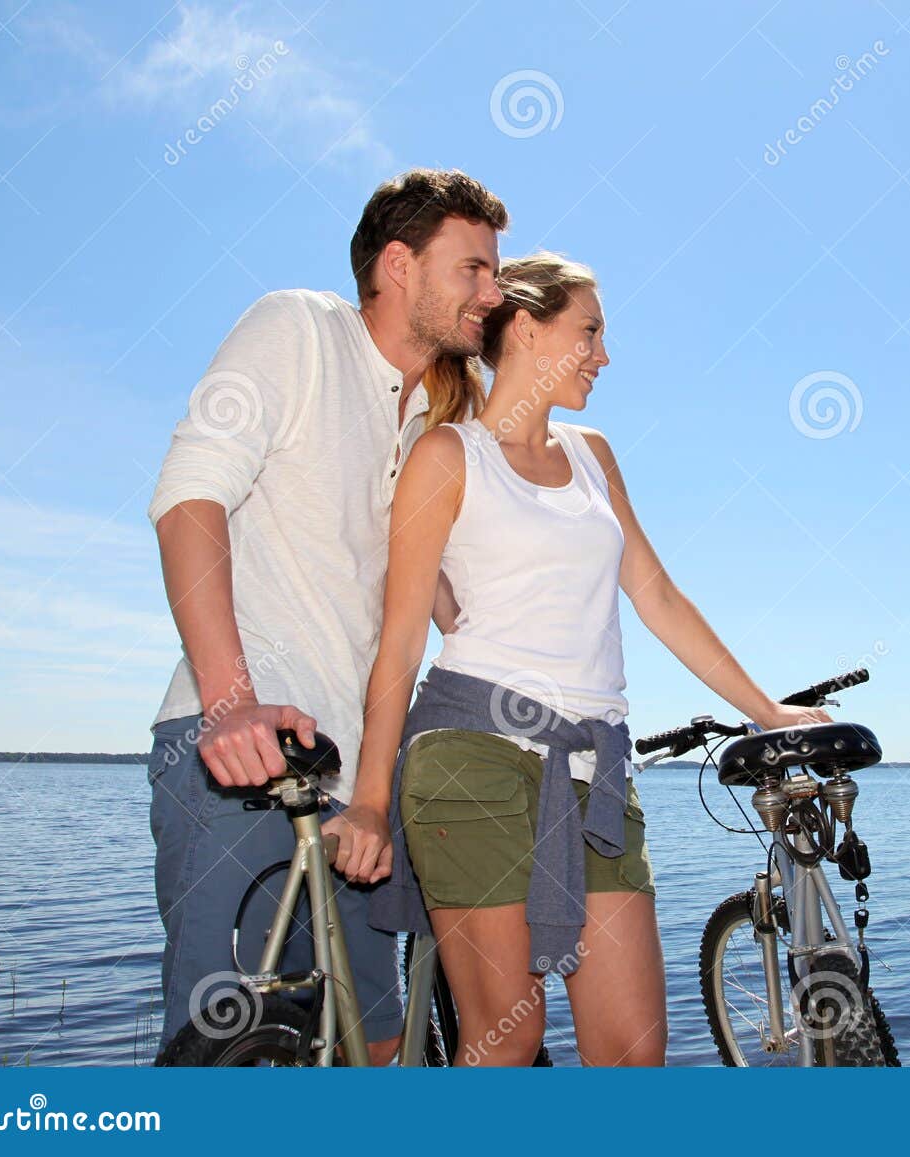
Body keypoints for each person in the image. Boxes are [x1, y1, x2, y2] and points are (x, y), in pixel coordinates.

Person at [351, 252, 830, 1065]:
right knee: (508, 1040)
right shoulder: (447, 456)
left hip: (596, 767)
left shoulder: (594, 455)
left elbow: (658, 595)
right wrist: (368, 800)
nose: (604, 356)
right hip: (472, 756)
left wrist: (766, 710)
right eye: (590, 332)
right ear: (526, 329)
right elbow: (401, 637)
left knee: (633, 1052)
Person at [145, 169, 508, 1064]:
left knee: (374, 1046)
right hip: (240, 754)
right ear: (398, 264)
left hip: (357, 790)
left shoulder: (435, 423)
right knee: (222, 1047)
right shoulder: (298, 329)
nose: (492, 293)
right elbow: (188, 499)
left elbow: (447, 610)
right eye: (473, 269)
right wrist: (231, 702)